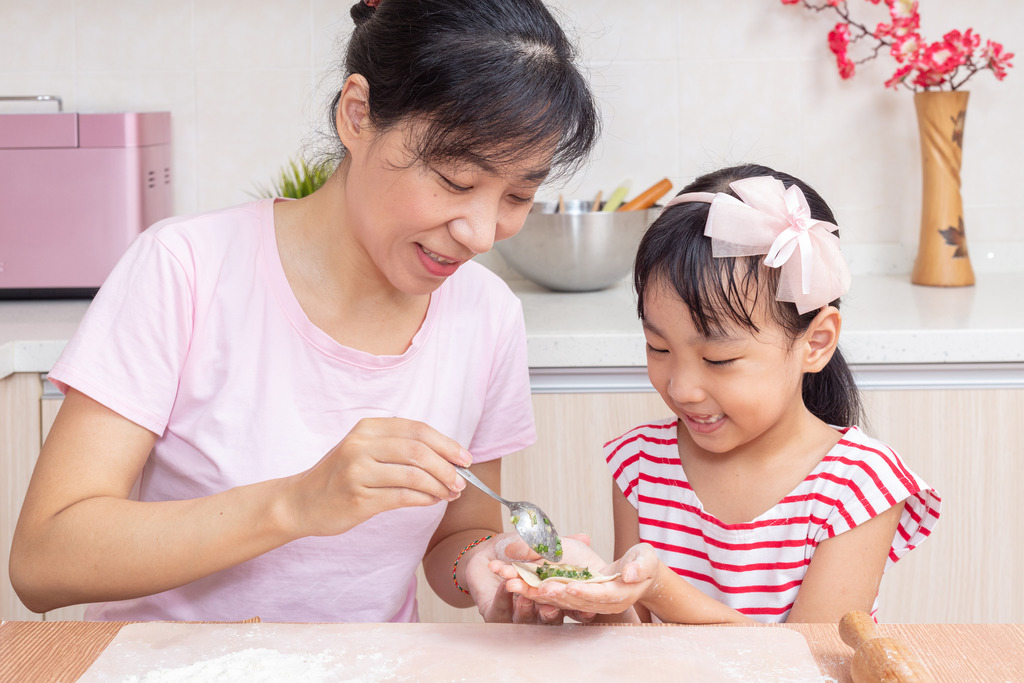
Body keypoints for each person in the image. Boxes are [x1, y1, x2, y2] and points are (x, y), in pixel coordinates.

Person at [9, 0, 600, 624]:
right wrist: (295, 504)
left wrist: (493, 564)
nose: (482, 233)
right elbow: (44, 563)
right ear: (357, 116)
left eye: (518, 195)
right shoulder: (185, 268)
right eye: (455, 180)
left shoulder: (487, 314)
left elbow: (456, 539)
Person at [491, 164, 941, 624]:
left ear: (816, 342)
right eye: (658, 347)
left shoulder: (860, 484)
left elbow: (812, 660)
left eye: (719, 360)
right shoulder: (644, 463)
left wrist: (661, 588)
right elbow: (633, 641)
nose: (681, 388)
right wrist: (591, 593)